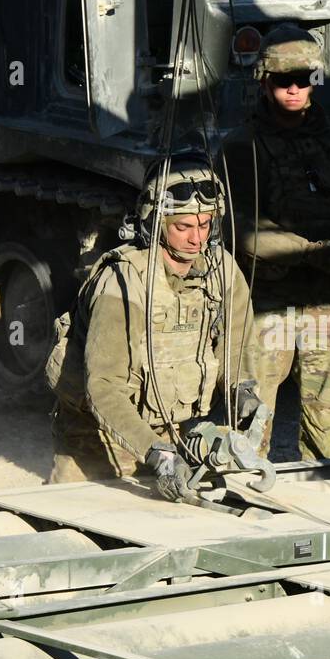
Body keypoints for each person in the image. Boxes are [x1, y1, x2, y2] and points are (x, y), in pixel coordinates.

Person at [219, 24, 330, 460]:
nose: (296, 89)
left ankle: (326, 513)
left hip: (327, 306)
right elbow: (240, 230)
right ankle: (247, 504)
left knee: (327, 424)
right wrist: (317, 252)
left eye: (306, 79)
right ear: (265, 81)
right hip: (267, 307)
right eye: (284, 80)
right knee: (248, 424)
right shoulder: (241, 148)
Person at [47, 154, 257, 499]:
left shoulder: (222, 271)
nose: (196, 239)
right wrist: (155, 452)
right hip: (99, 436)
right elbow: (103, 386)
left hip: (175, 432)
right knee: (79, 518)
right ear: (156, 223)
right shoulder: (124, 281)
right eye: (183, 227)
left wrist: (244, 392)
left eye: (205, 225)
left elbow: (239, 348)